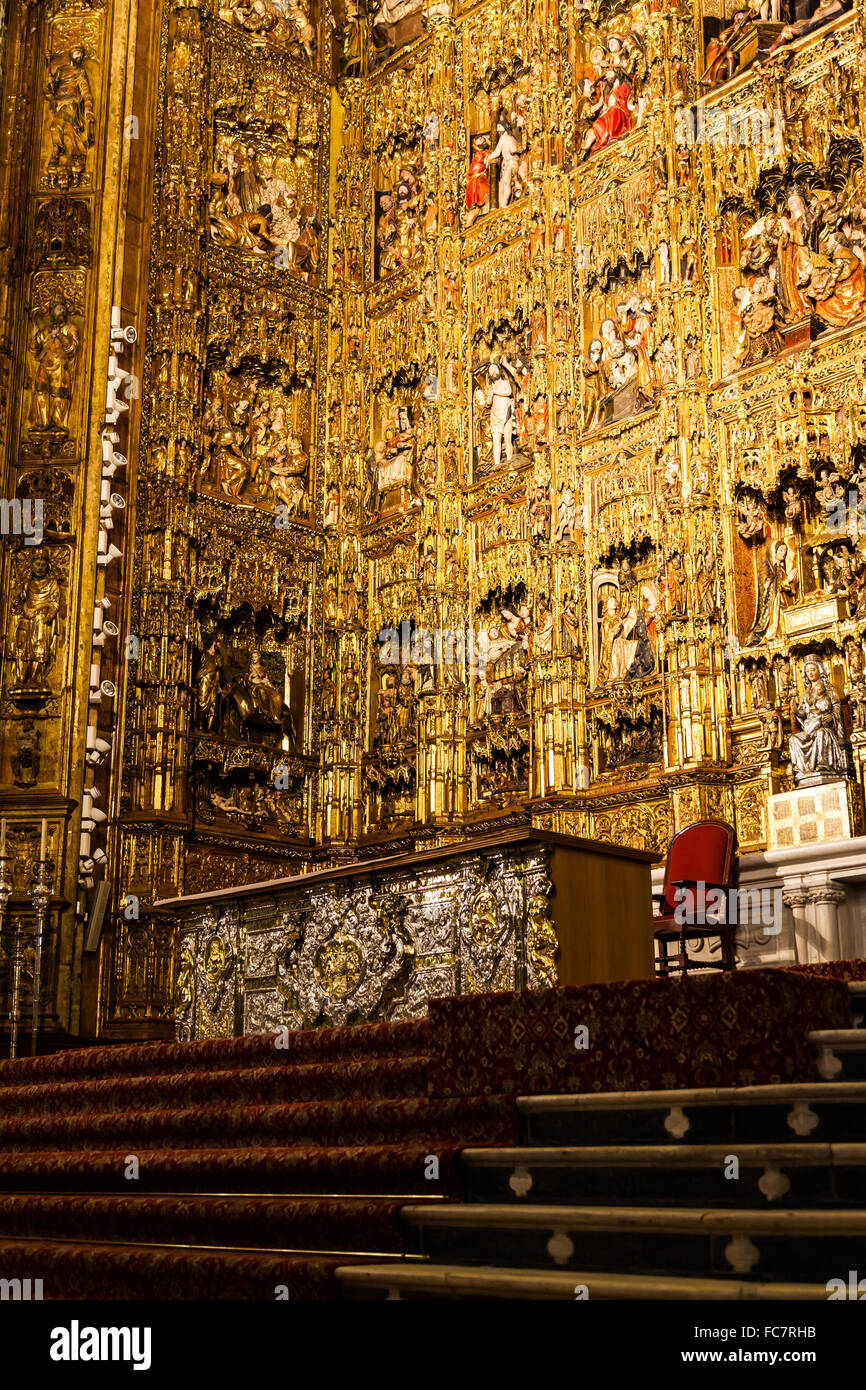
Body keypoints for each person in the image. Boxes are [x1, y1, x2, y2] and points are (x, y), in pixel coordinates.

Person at [789, 655, 849, 784]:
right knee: (793, 739)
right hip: (809, 726)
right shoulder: (806, 693)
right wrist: (795, 710)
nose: (810, 673)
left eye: (813, 669)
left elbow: (836, 707)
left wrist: (832, 716)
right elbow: (803, 713)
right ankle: (802, 771)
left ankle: (823, 764)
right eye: (808, 671)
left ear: (819, 670)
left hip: (825, 726)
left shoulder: (829, 689)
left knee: (821, 733)